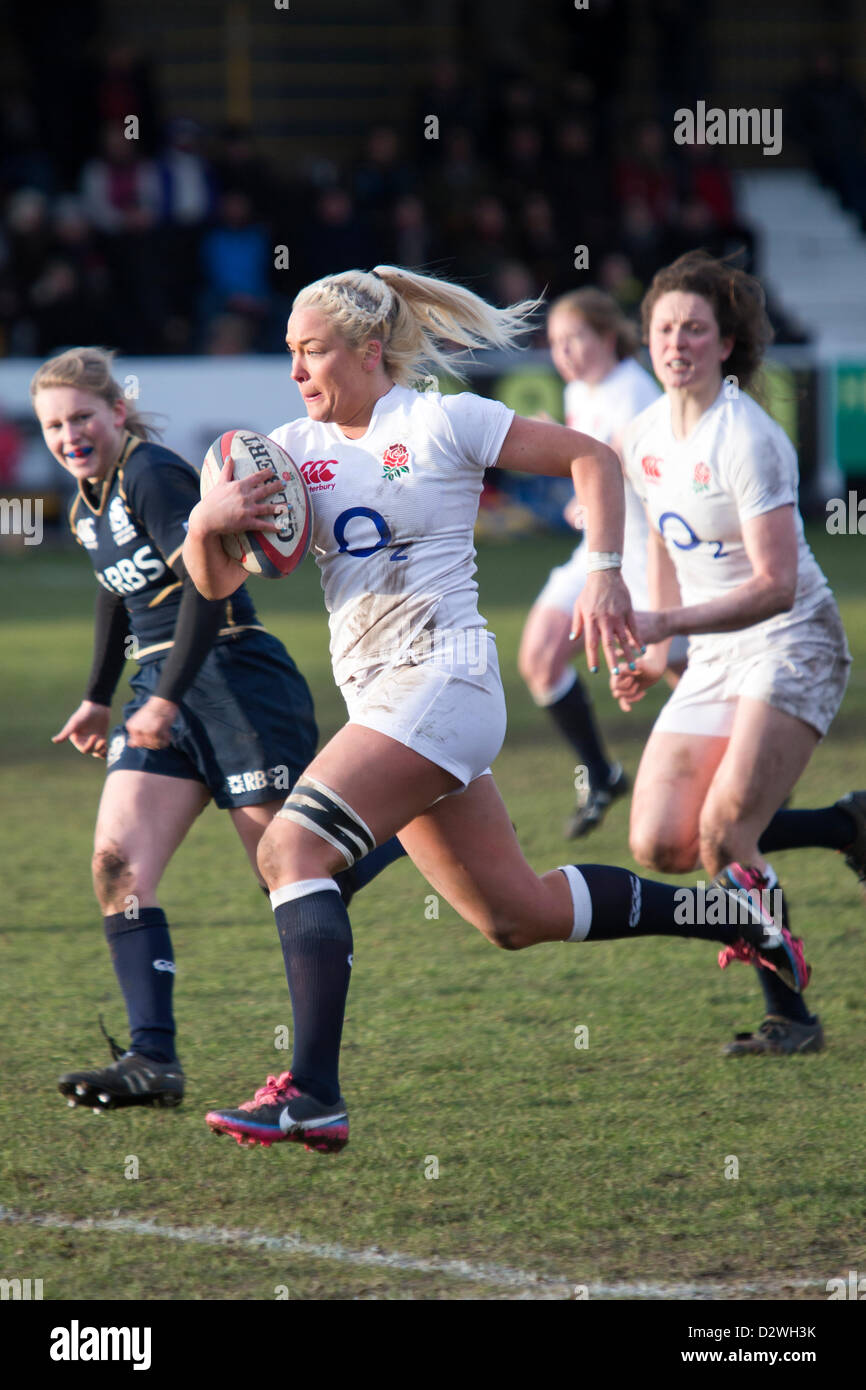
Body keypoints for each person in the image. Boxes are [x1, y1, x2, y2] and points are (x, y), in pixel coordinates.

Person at [183, 265, 813, 1156]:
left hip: (445, 680)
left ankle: (313, 1094)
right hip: (390, 700)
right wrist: (207, 523)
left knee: (291, 846)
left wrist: (601, 570)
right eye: (288, 353)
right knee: (516, 917)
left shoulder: (441, 419)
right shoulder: (286, 452)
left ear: (369, 351)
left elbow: (591, 458)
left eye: (310, 351)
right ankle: (732, 917)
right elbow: (213, 587)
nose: (295, 371)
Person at [31, 347, 404, 1112]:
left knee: (296, 871)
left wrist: (166, 698)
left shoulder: (151, 474)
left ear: (117, 414)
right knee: (116, 868)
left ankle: (404, 818)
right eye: (54, 426)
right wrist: (99, 697)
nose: (70, 436)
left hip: (232, 676)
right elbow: (116, 592)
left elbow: (207, 582)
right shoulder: (84, 501)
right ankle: (152, 1059)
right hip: (159, 687)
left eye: (81, 418)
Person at [611, 250, 865, 1056]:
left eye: (694, 328)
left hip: (793, 641)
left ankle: (791, 1019)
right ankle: (846, 826)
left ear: (727, 344)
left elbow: (777, 586)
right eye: (663, 328)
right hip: (716, 649)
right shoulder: (641, 434)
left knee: (725, 834)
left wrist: (664, 623)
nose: (676, 341)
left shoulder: (748, 439)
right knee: (659, 842)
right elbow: (657, 537)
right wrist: (658, 643)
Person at [517, 288, 685, 838]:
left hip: (648, 556)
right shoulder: (579, 391)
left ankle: (752, 776)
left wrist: (585, 495)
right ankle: (601, 772)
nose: (565, 353)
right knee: (540, 657)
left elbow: (629, 468)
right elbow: (594, 466)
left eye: (577, 339)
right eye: (557, 343)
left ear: (608, 337)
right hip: (597, 554)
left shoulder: (632, 389)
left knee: (690, 680)